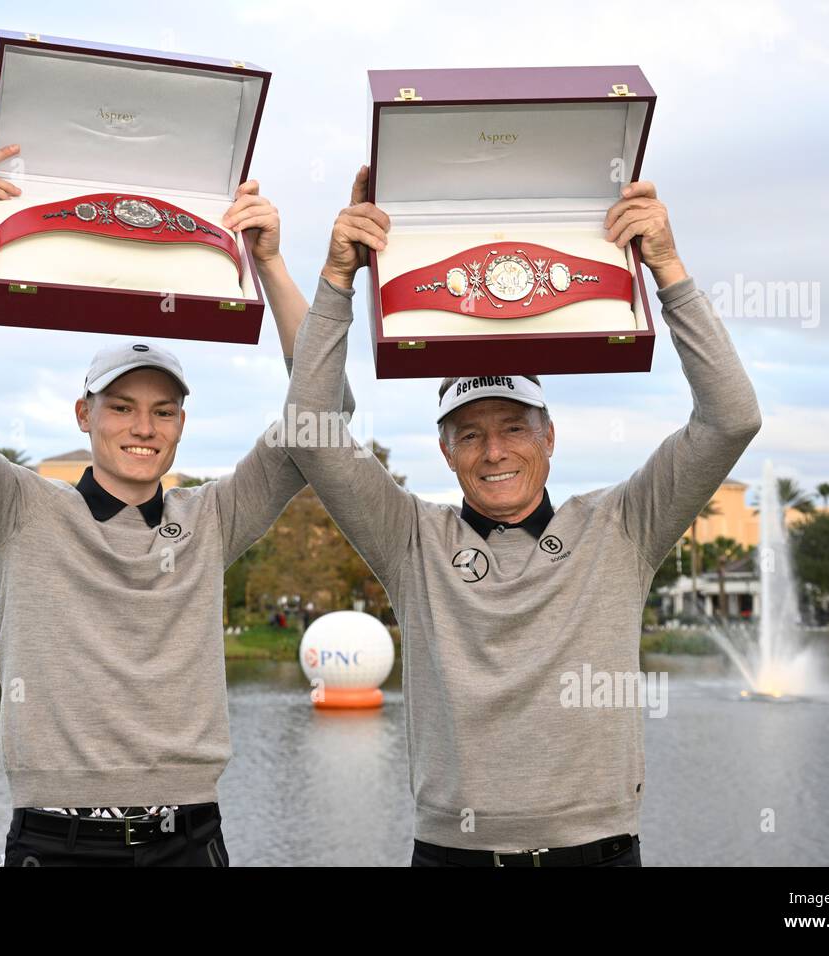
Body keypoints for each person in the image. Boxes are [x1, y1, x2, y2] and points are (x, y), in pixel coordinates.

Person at [0, 130, 352, 866]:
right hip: (56, 845)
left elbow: (323, 414)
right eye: (121, 406)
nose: (143, 427)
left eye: (163, 411)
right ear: (83, 415)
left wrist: (272, 265)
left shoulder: (213, 518)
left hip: (190, 841)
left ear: (182, 425)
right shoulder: (18, 509)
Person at [282, 168, 763, 866]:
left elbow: (731, 419)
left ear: (549, 437)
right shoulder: (411, 538)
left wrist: (667, 267)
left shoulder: (623, 524)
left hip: (597, 851)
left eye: (513, 427)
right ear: (446, 453)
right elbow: (309, 430)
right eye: (470, 434)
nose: (494, 451)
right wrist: (337, 279)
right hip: (456, 854)